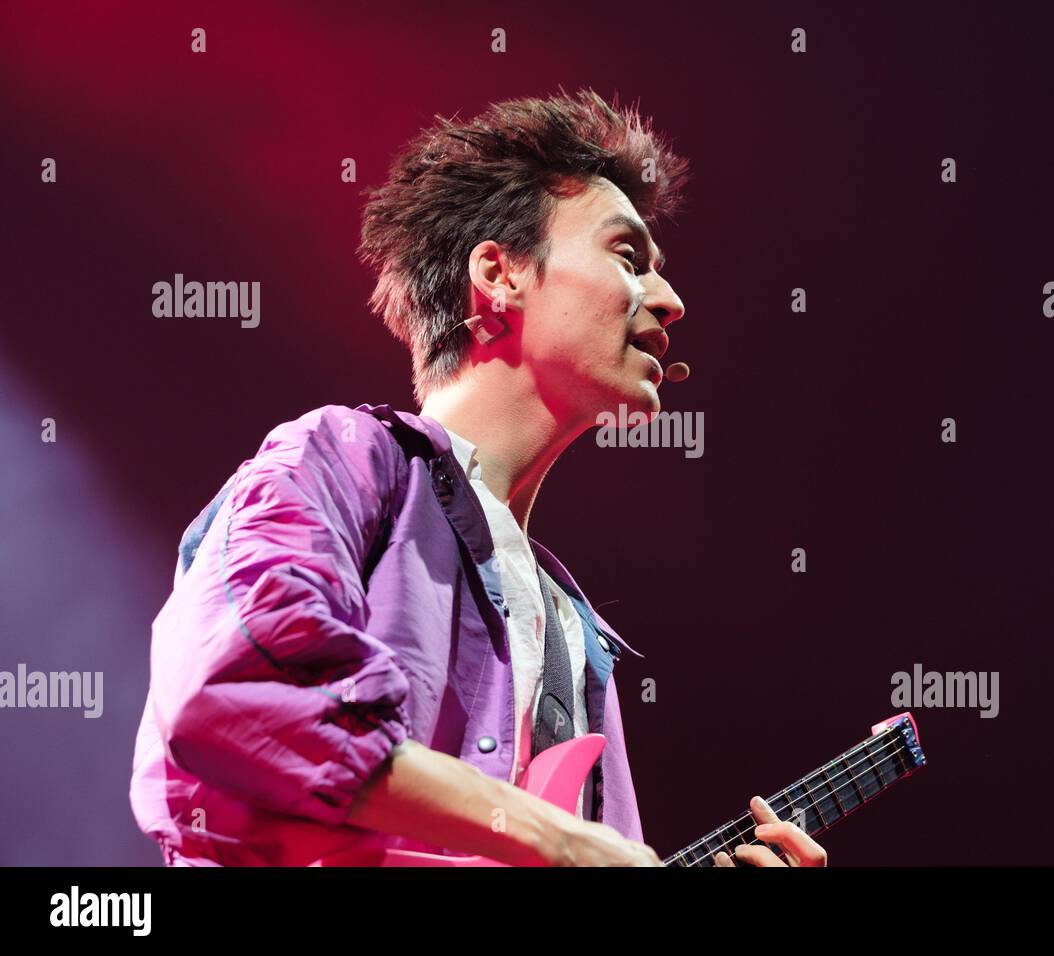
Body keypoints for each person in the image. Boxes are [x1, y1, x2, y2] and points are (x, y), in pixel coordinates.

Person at [128, 88, 826, 868]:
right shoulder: (342, 459)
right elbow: (237, 694)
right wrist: (554, 835)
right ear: (500, 273)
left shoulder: (575, 633)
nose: (671, 302)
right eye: (628, 258)